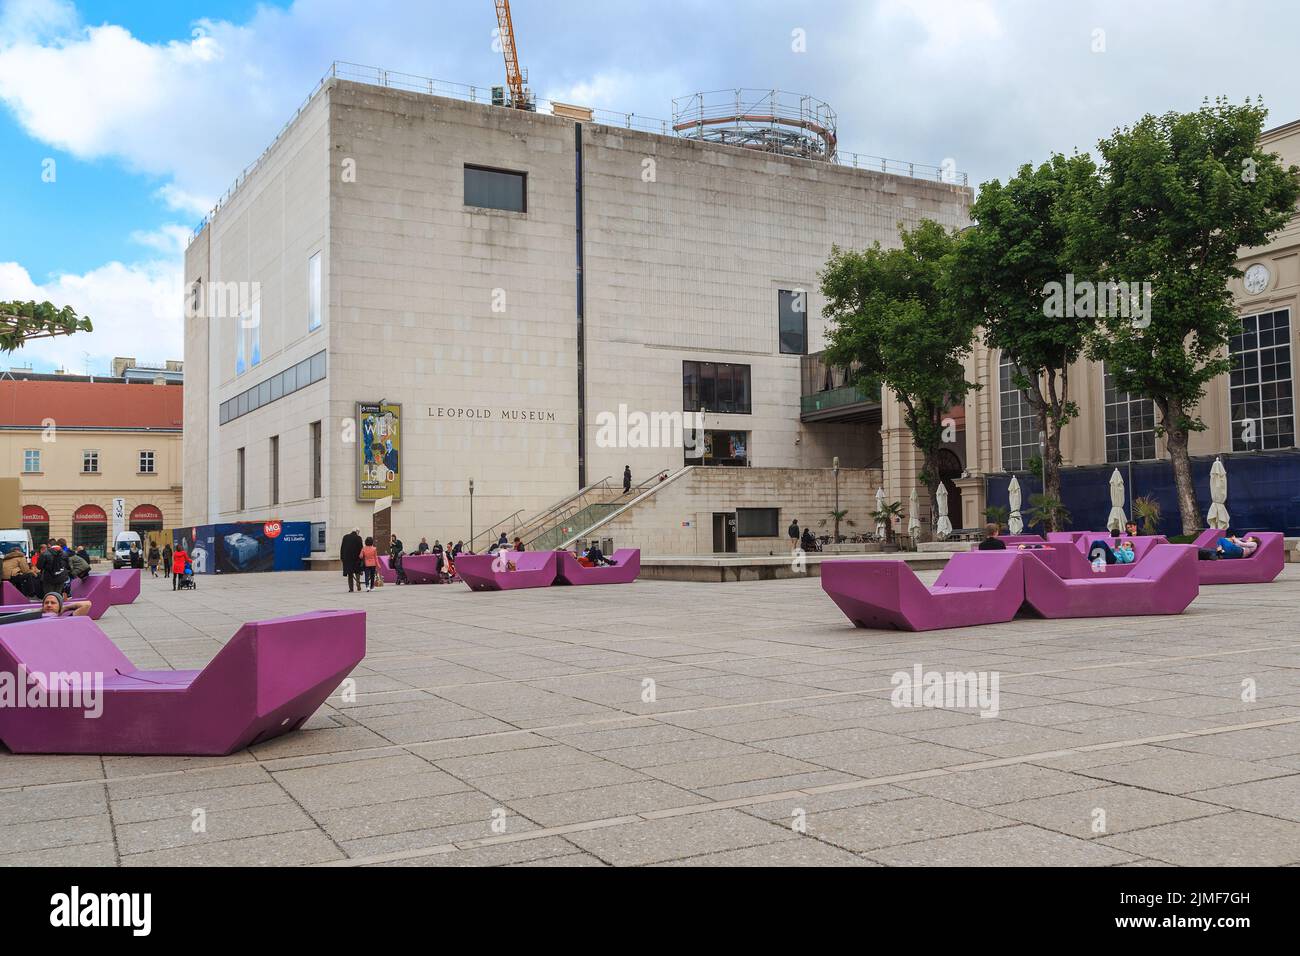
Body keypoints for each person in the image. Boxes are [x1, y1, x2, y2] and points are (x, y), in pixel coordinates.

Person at [340, 528, 363, 593]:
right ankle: (358, 585)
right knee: (357, 572)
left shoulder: (345, 537)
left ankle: (351, 588)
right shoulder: (358, 538)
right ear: (357, 531)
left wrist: (342, 558)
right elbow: (361, 548)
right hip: (356, 559)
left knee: (350, 574)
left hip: (347, 559)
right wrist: (361, 558)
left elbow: (342, 548)